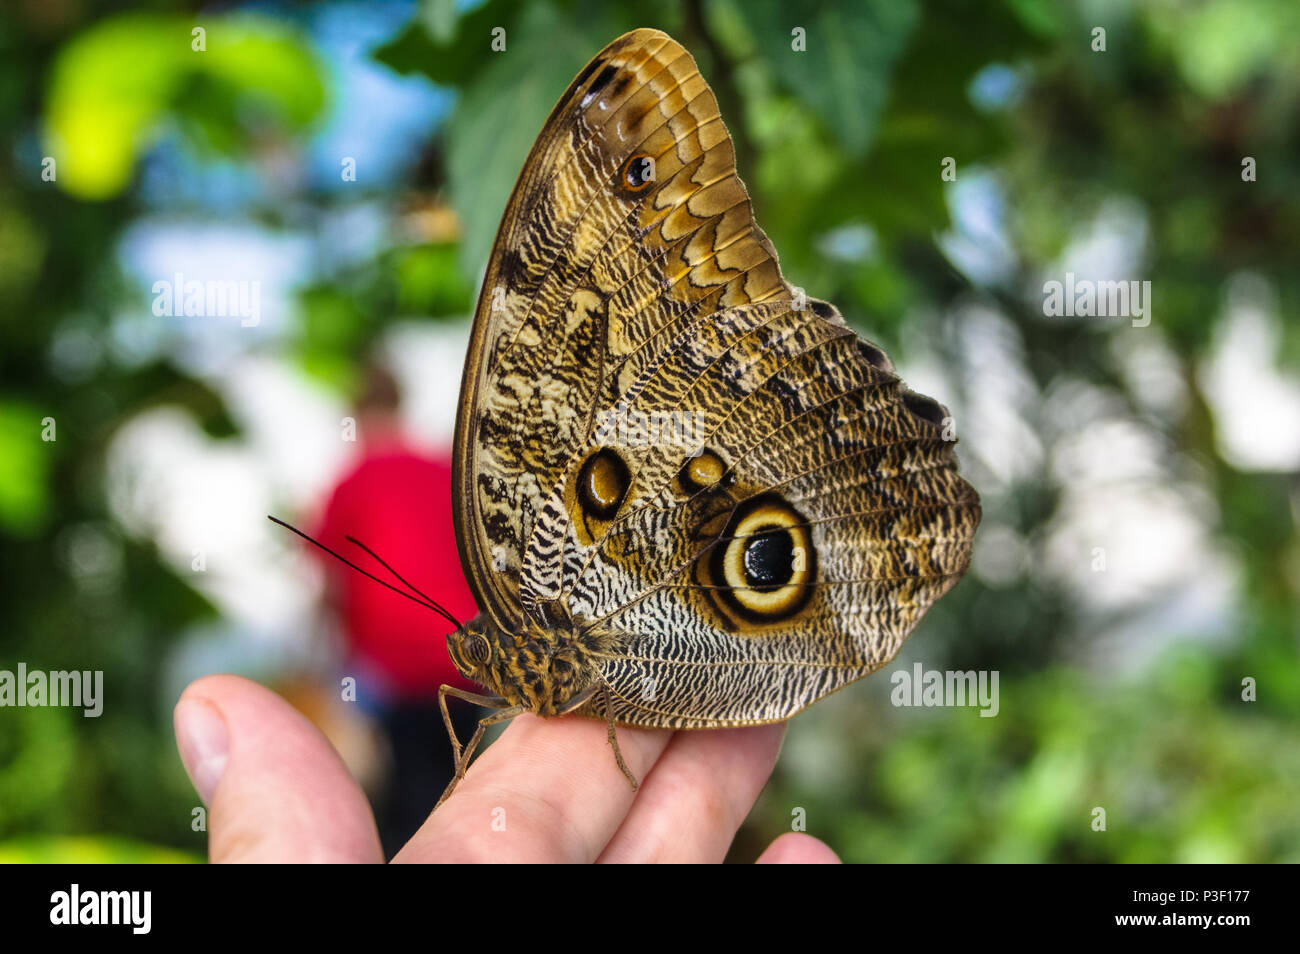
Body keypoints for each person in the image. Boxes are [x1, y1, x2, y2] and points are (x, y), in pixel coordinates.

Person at [173, 674, 840, 863]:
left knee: (432, 804)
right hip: (458, 679)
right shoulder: (436, 469)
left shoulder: (359, 474)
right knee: (470, 783)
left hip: (411, 691)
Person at [308, 361, 480, 856]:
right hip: (466, 665)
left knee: (403, 799)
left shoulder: (352, 479)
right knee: (455, 790)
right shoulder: (445, 471)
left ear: (356, 413)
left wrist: (318, 665)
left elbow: (330, 586)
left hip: (391, 676)